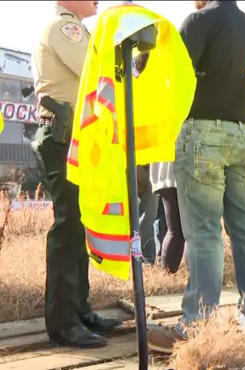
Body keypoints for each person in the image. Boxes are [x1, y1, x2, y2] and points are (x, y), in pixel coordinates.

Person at [147, 0, 245, 353]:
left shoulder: (198, 21)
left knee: (203, 231)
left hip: (202, 133)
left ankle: (195, 326)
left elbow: (172, 77)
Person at [31, 0, 121, 348]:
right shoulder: (64, 28)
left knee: (79, 224)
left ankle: (80, 311)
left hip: (74, 137)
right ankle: (63, 322)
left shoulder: (75, 29)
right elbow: (95, 71)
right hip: (62, 137)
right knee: (69, 226)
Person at [150, 161, 186, 273]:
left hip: (164, 169)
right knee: (194, 233)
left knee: (174, 231)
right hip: (186, 168)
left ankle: (166, 275)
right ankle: (197, 279)